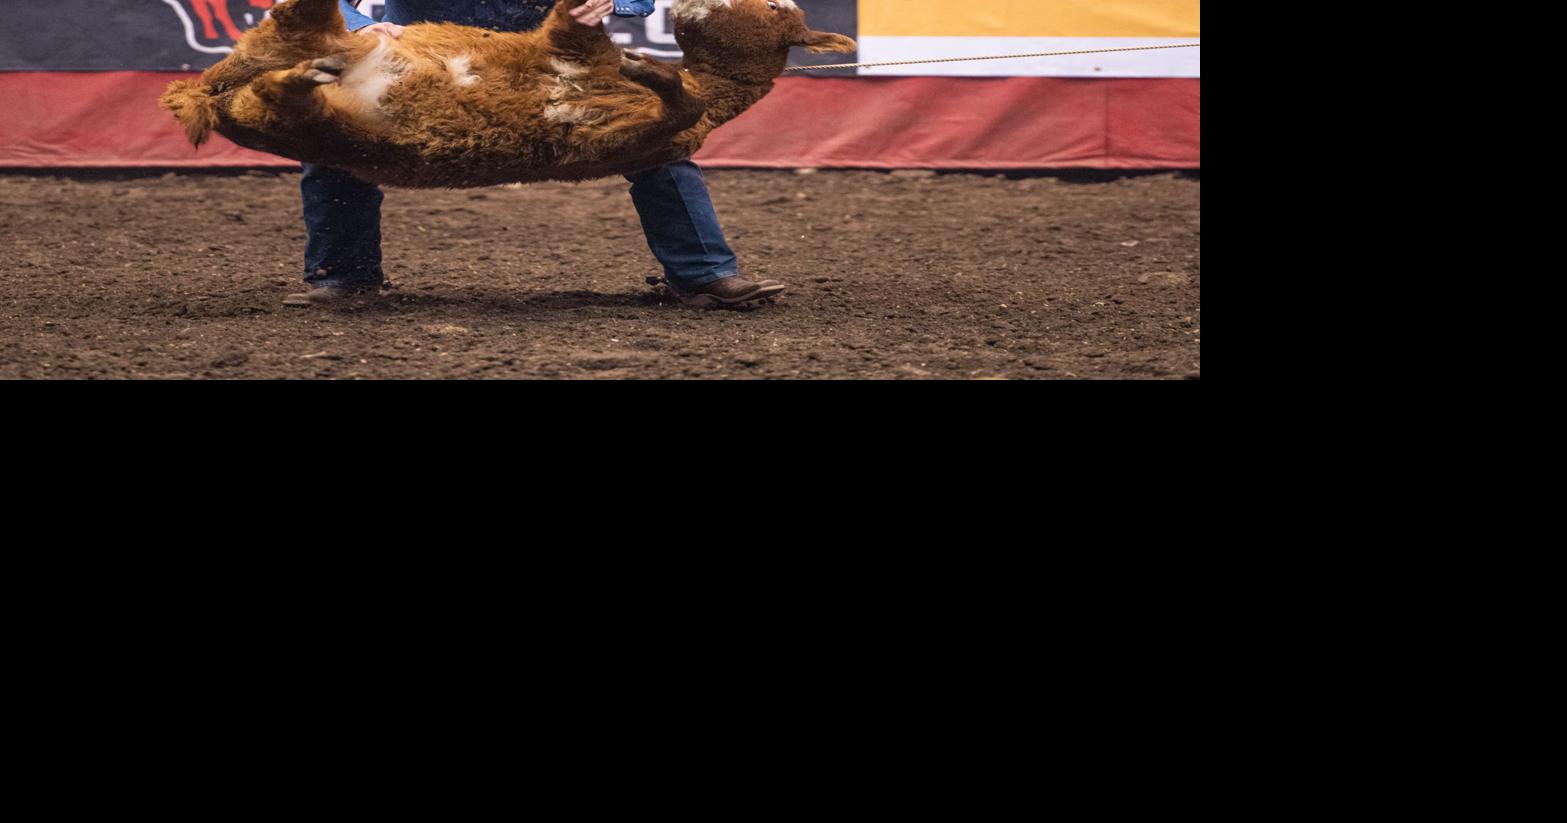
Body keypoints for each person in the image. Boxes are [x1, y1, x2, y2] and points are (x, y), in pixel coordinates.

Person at [287, 0, 784, 308]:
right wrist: (357, 25)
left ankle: (704, 275)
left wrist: (614, 2)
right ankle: (344, 276)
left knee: (658, 144)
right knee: (339, 142)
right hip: (432, 68)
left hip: (551, 66)